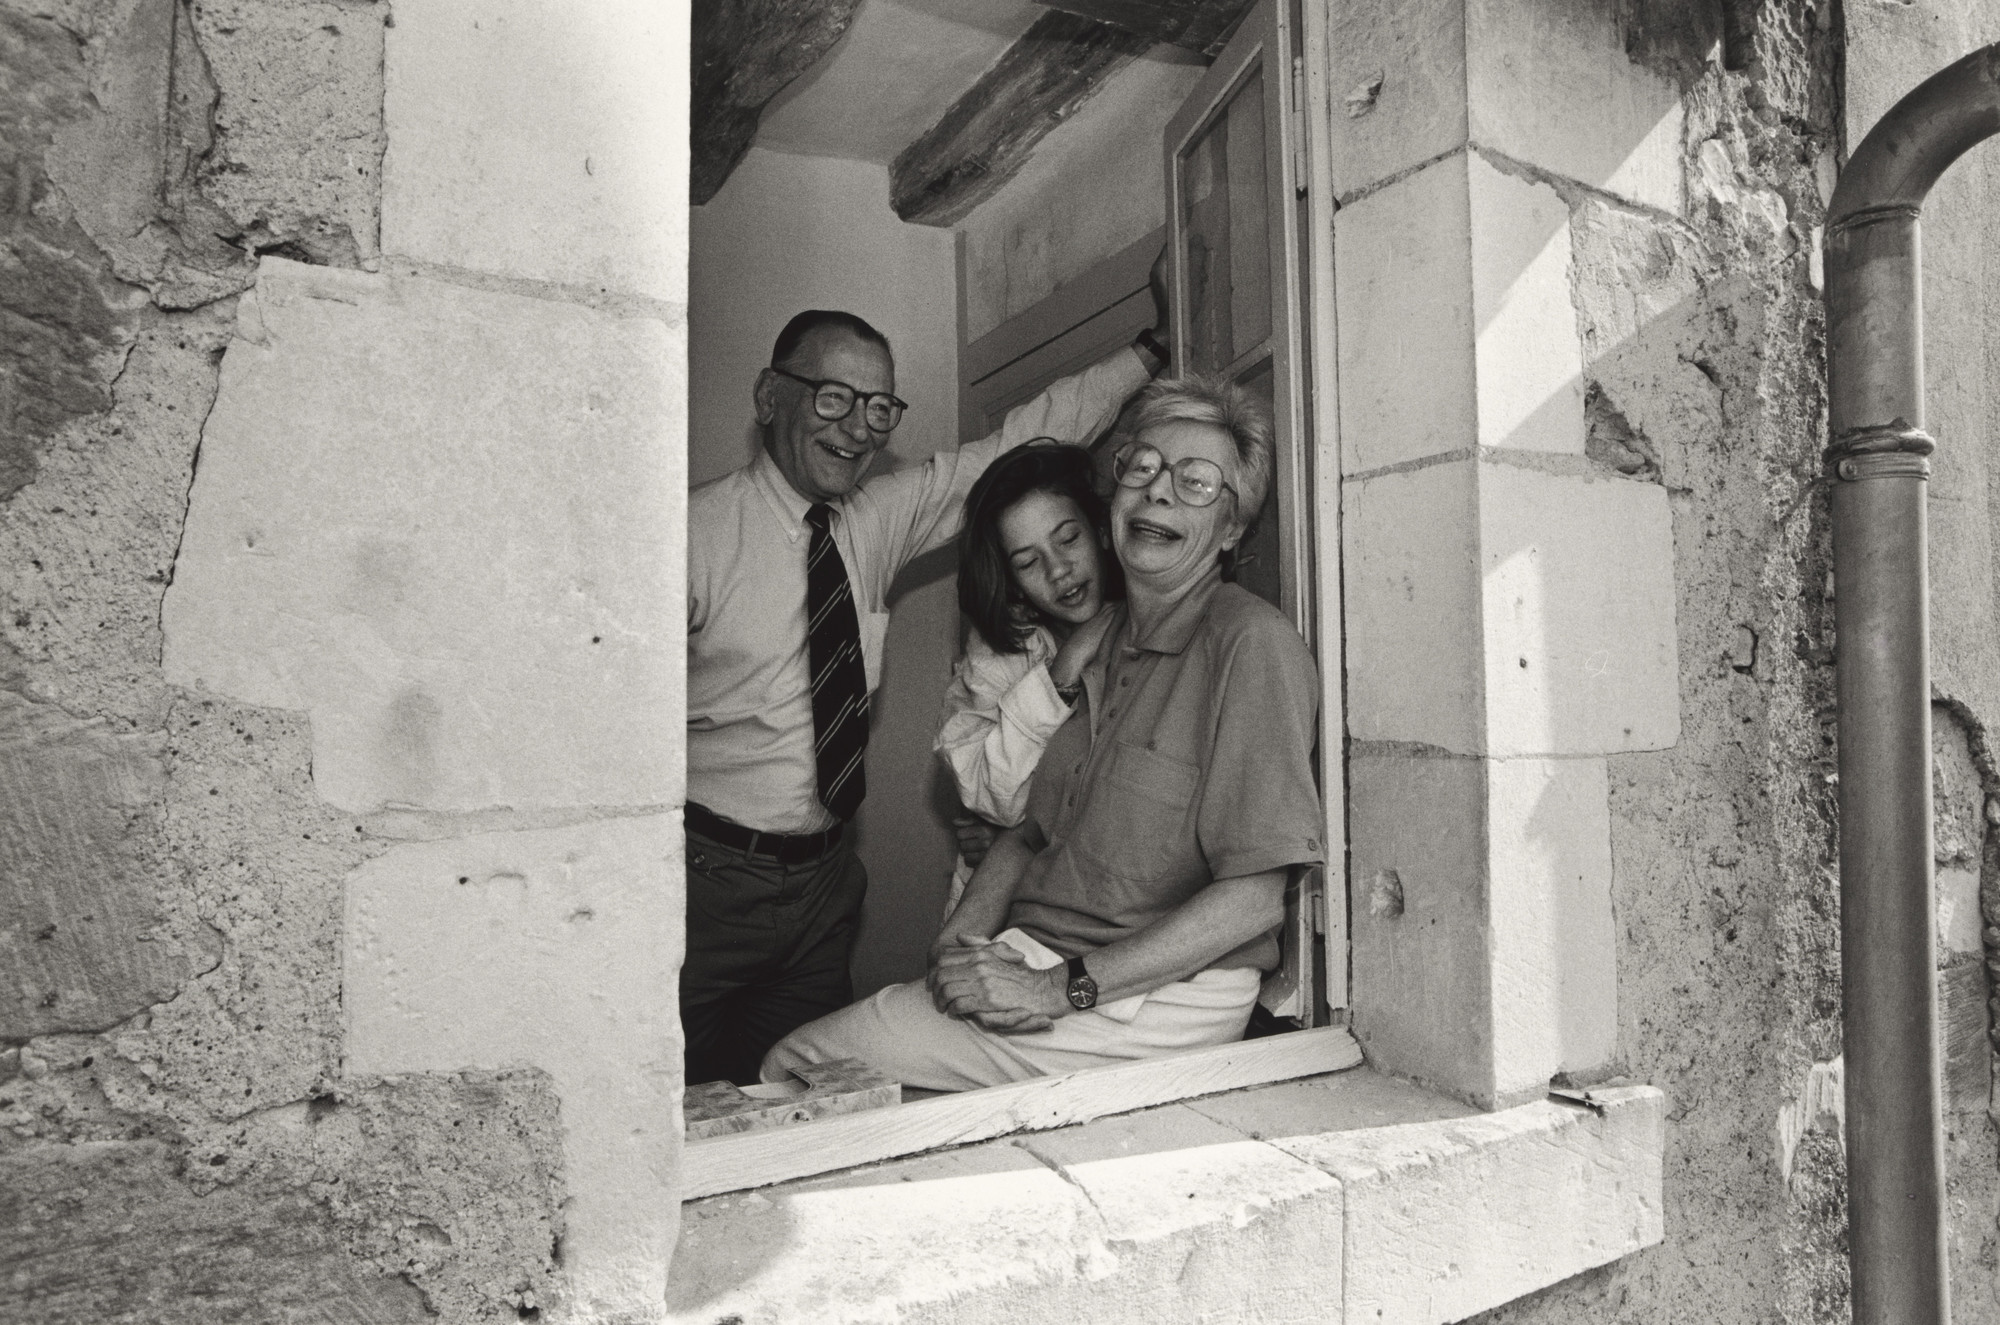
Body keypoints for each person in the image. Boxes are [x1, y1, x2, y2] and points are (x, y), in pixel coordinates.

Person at [761, 373, 1324, 1091]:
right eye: (1142, 468)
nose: (1157, 492)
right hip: (1051, 958)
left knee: (799, 1066)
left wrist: (1057, 989)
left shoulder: (1250, 644)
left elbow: (1252, 898)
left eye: (1196, 482)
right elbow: (1026, 837)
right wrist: (954, 950)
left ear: (1234, 528)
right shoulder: (1101, 641)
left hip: (1150, 994)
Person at [684, 295, 1170, 1087]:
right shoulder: (692, 538)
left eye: (879, 407)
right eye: (833, 397)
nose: (857, 428)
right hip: (702, 882)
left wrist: (1151, 349)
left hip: (823, 885)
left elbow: (1015, 446)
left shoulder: (872, 518)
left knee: (808, 1098)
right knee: (662, 1097)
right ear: (771, 396)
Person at [934, 444, 1124, 920]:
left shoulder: (1151, 625)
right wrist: (1060, 674)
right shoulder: (997, 655)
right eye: (1027, 562)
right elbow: (995, 796)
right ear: (1012, 582)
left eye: (1067, 538)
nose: (1058, 570)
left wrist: (1023, 837)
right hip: (1001, 918)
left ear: (1101, 531)